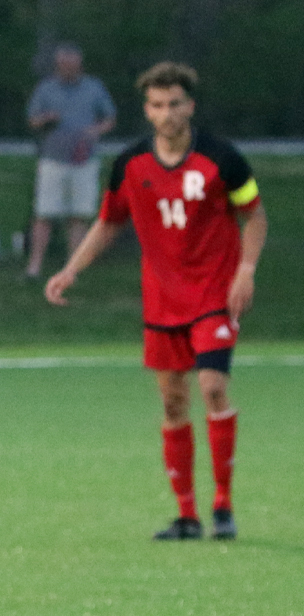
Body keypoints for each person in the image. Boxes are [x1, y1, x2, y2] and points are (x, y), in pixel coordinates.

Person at [45, 62, 265, 542]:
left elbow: (255, 214)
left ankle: (222, 504)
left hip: (213, 293)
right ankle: (186, 516)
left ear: (191, 106)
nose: (167, 113)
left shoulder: (221, 158)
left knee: (211, 386)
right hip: (163, 302)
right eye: (158, 105)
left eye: (175, 104)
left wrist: (245, 271)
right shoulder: (129, 164)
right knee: (172, 402)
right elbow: (108, 222)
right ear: (147, 110)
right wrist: (70, 269)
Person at [24, 43, 115, 280]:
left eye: (72, 65)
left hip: (84, 159)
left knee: (79, 215)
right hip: (53, 159)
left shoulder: (93, 88)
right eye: (63, 65)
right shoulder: (46, 89)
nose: (67, 70)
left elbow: (109, 118)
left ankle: (72, 268)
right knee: (44, 214)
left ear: (80, 65)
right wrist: (46, 119)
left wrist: (95, 131)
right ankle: (34, 266)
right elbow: (32, 120)